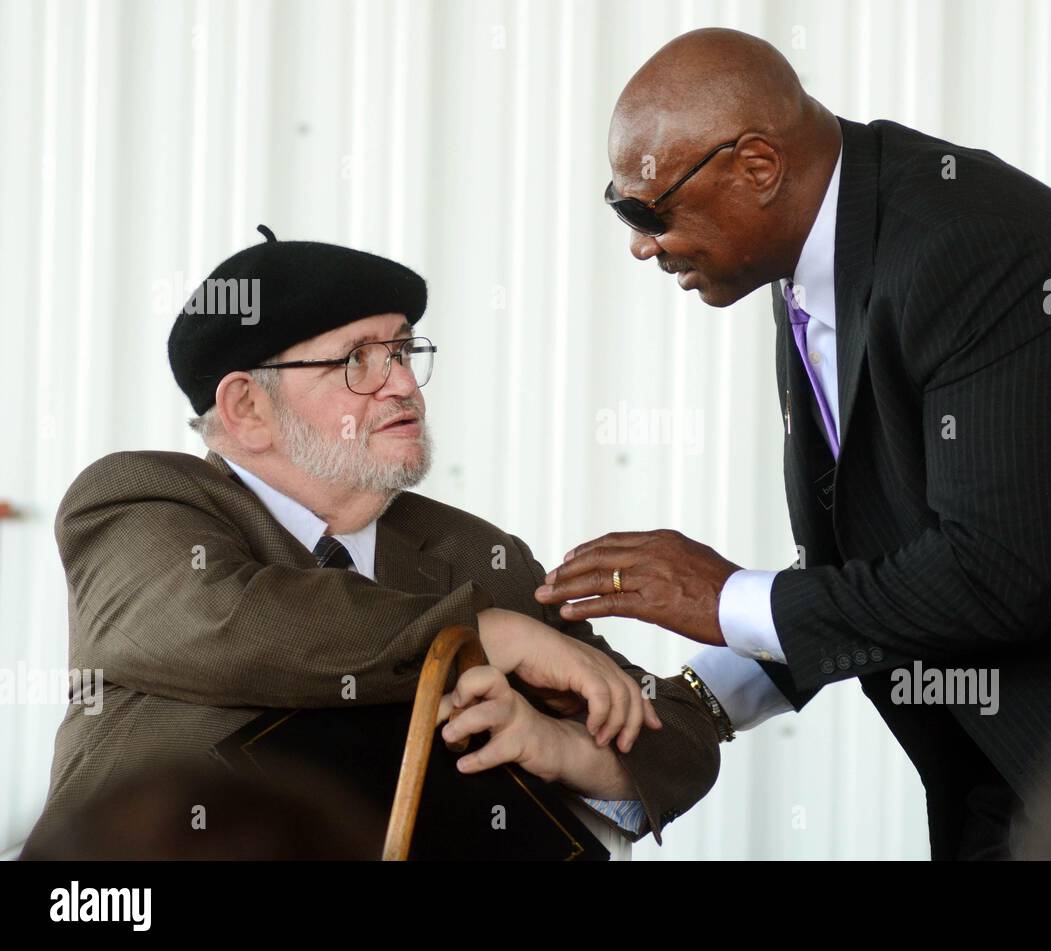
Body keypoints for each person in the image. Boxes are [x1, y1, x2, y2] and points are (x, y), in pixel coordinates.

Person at [535, 28, 1051, 859]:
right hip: (1038, 772)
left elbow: (996, 576)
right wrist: (690, 701)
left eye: (649, 209)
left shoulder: (971, 247)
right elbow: (882, 566)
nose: (642, 243)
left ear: (756, 167)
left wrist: (724, 599)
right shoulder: (814, 266)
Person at [24, 227, 721, 855]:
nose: (404, 384)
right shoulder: (142, 501)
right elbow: (222, 622)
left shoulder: (473, 553)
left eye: (404, 349)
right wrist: (476, 634)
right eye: (358, 359)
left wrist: (562, 747)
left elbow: (680, 735)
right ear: (246, 408)